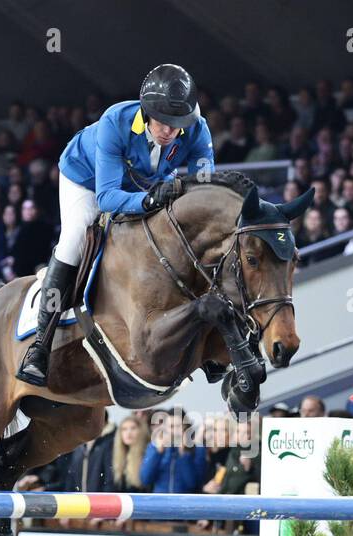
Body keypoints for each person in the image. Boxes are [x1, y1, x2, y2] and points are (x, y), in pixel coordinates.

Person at [17, 65, 215, 386]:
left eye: (176, 125)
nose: (169, 131)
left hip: (147, 182)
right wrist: (150, 202)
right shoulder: (115, 122)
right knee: (74, 238)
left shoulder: (196, 128)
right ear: (147, 113)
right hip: (87, 180)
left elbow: (204, 187)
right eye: (162, 123)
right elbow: (107, 198)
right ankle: (41, 345)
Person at [140, 410, 209, 493]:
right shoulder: (154, 447)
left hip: (184, 502)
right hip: (160, 501)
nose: (174, 431)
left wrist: (184, 454)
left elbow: (192, 484)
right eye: (171, 426)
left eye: (178, 426)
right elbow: (145, 479)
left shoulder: (198, 449)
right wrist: (158, 453)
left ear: (186, 427)